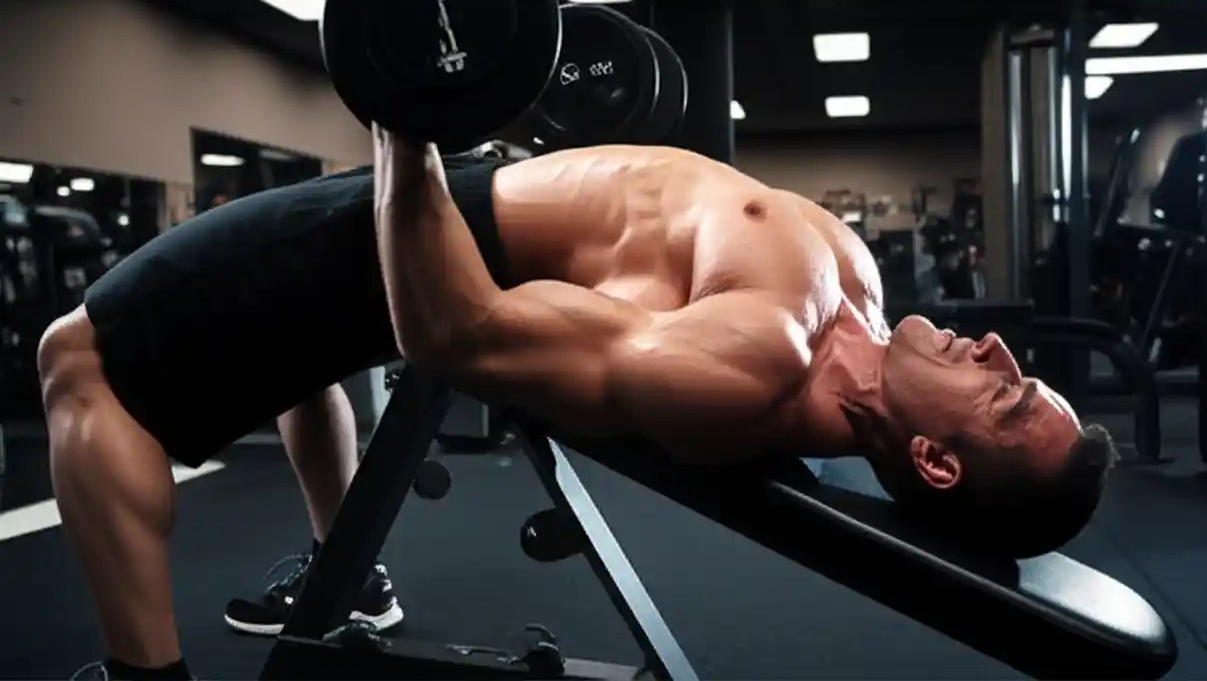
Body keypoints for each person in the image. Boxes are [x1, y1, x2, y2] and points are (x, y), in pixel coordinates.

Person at [41, 129, 1114, 681]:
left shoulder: (749, 365)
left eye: (1005, 392)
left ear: (932, 463)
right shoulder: (856, 309)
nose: (993, 349)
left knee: (79, 359)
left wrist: (400, 127)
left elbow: (451, 332)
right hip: (467, 190)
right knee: (291, 358)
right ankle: (348, 577)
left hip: (433, 227)